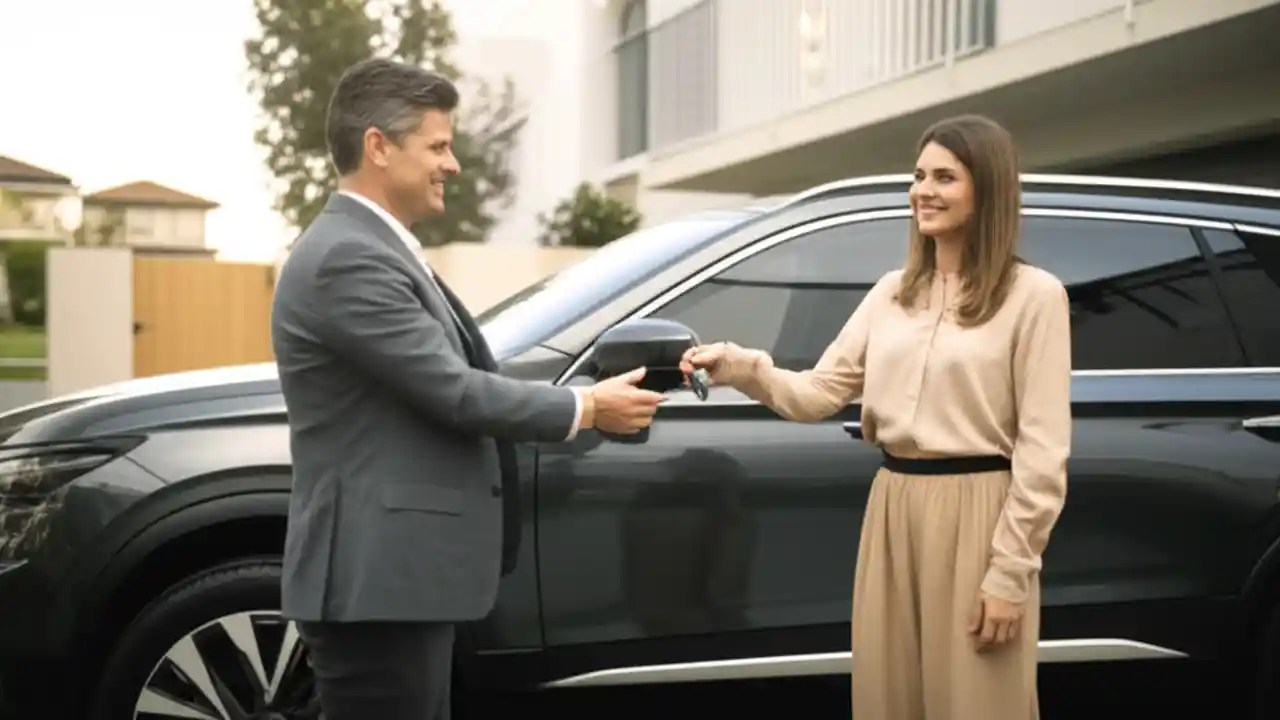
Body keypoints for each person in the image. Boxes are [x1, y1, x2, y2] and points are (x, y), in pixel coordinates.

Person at [270, 57, 664, 720]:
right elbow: (453, 389)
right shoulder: (348, 256)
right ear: (378, 146)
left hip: (392, 583)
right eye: (438, 145)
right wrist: (588, 406)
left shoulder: (371, 247)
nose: (451, 164)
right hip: (377, 587)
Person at [680, 114, 1071, 719]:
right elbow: (817, 393)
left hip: (980, 517)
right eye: (918, 175)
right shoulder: (892, 292)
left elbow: (1043, 453)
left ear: (987, 188)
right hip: (892, 509)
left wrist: (1009, 574)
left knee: (977, 701)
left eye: (946, 176)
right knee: (890, 699)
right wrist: (740, 366)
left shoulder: (1035, 296)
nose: (924, 190)